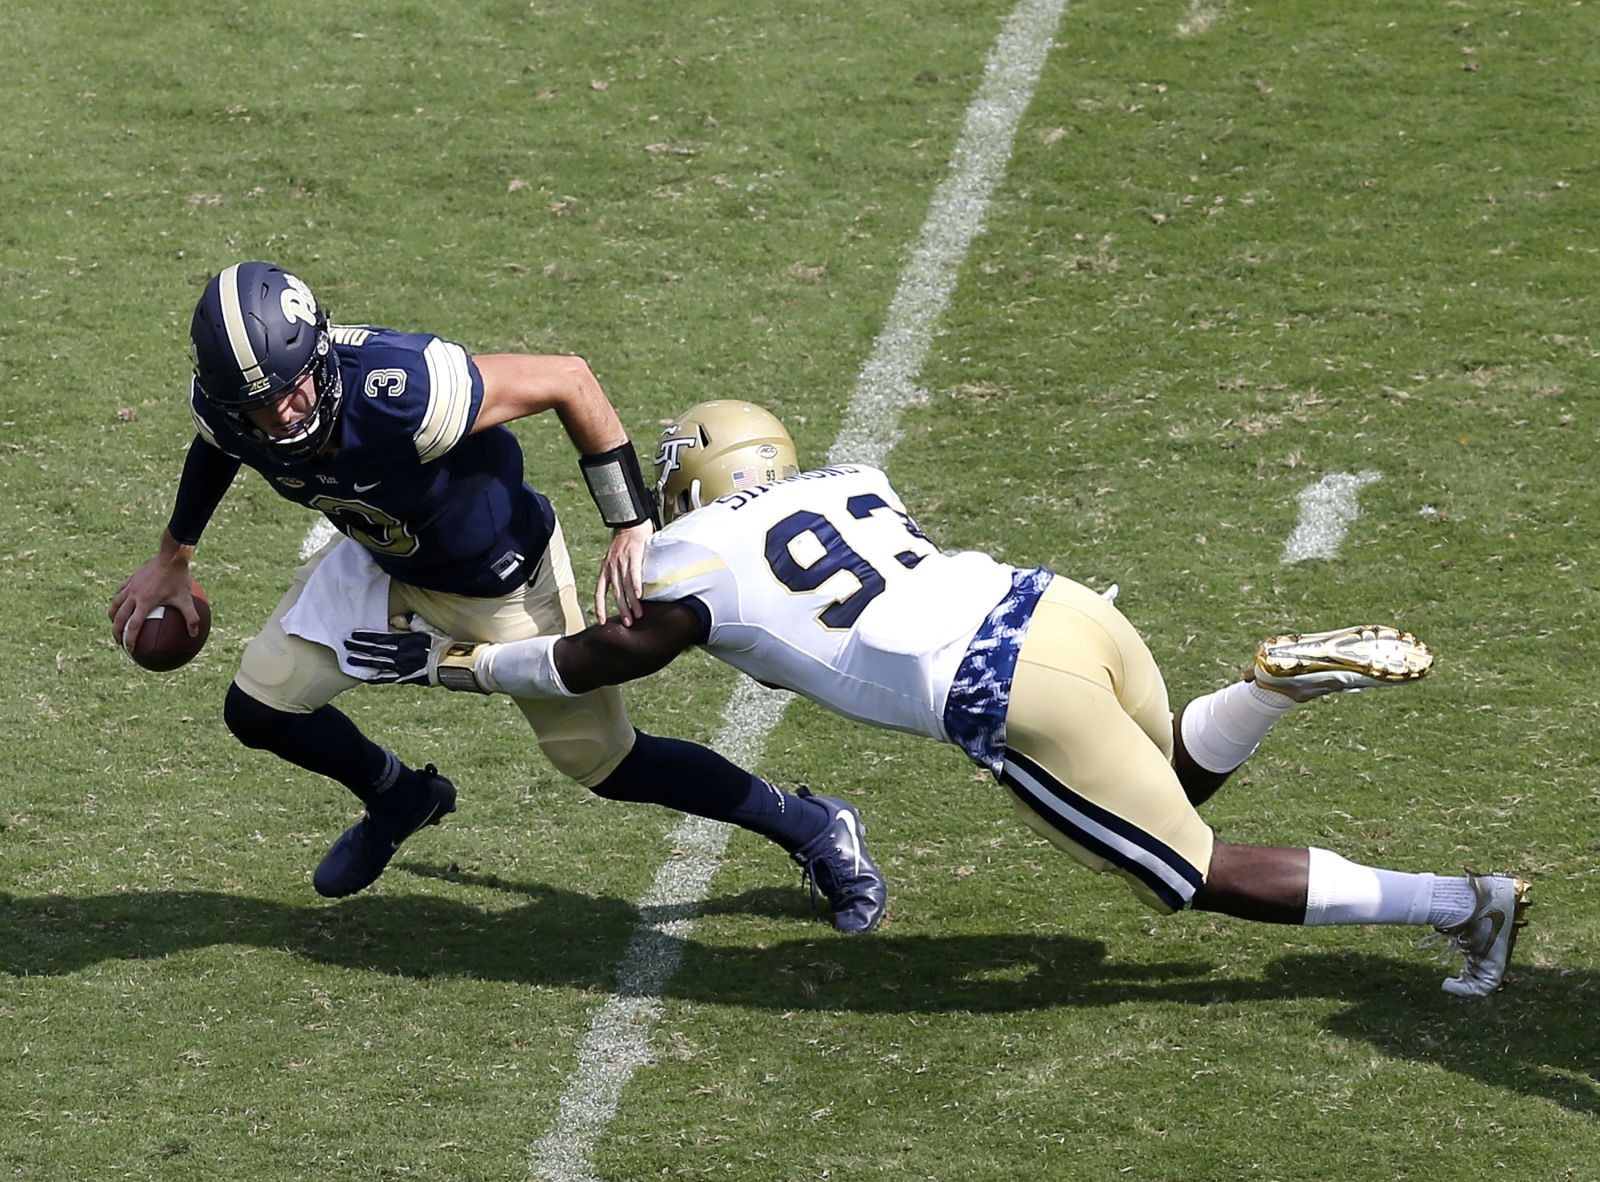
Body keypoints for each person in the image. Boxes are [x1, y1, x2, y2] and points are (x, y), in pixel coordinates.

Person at [345, 399, 1531, 997]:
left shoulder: (684, 560)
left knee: (1189, 876)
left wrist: (467, 669)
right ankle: (1262, 688)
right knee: (1161, 775)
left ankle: (1461, 903)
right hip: (1059, 605)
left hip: (1001, 686)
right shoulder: (857, 482)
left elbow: (591, 665)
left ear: (690, 480)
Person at [108, 268, 884, 931]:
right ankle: (398, 796)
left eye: (290, 387)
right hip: (381, 559)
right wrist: (174, 556)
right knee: (258, 708)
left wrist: (628, 521)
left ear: (319, 353)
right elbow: (221, 444)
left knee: (608, 764)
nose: (279, 413)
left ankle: (813, 824)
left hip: (500, 578)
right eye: (257, 404)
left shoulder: (404, 389)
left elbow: (568, 378)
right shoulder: (232, 406)